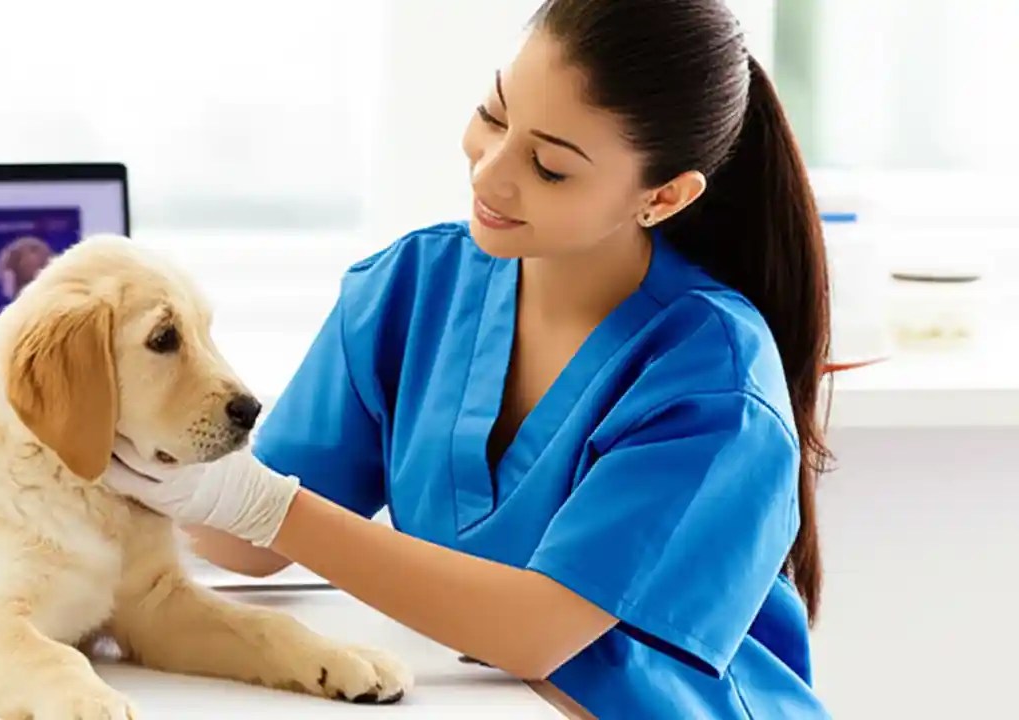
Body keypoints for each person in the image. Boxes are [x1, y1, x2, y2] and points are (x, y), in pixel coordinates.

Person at [106, 0, 833, 717]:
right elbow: (249, 544)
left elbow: (535, 633)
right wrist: (133, 451)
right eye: (493, 114)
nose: (489, 173)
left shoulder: (711, 379)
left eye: (548, 167)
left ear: (663, 196)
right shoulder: (414, 287)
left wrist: (254, 500)